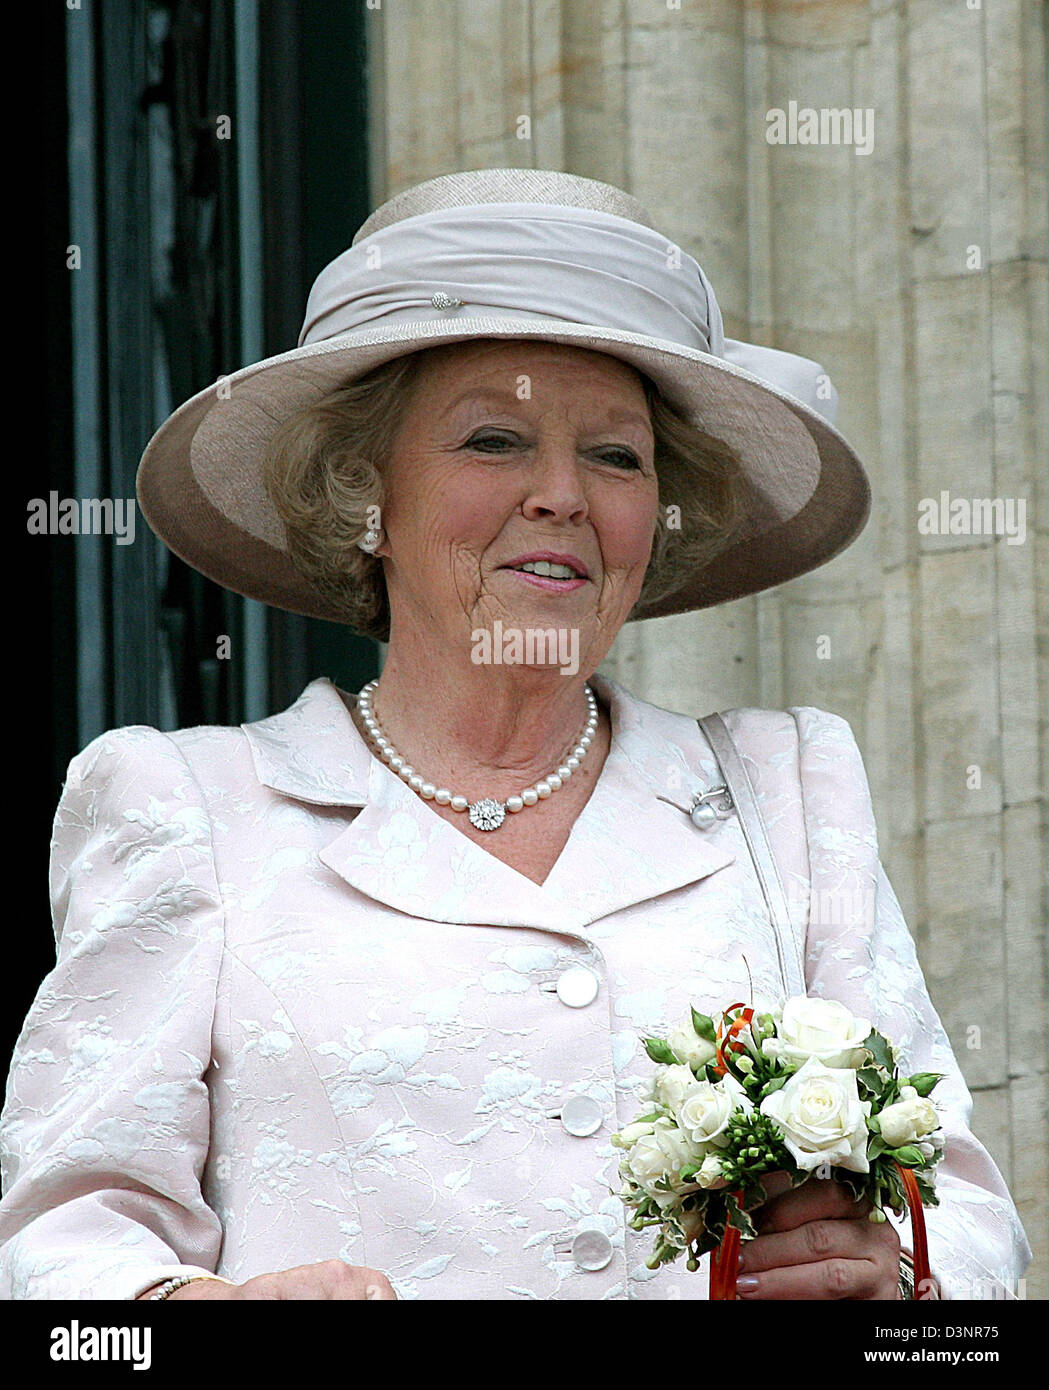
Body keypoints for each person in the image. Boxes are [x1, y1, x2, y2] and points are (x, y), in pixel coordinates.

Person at [0, 169, 1031, 1302]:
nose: (560, 495)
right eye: (493, 440)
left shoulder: (786, 789)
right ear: (364, 499)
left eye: (615, 455)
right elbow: (60, 1267)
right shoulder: (187, 805)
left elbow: (968, 1225)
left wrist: (907, 1291)